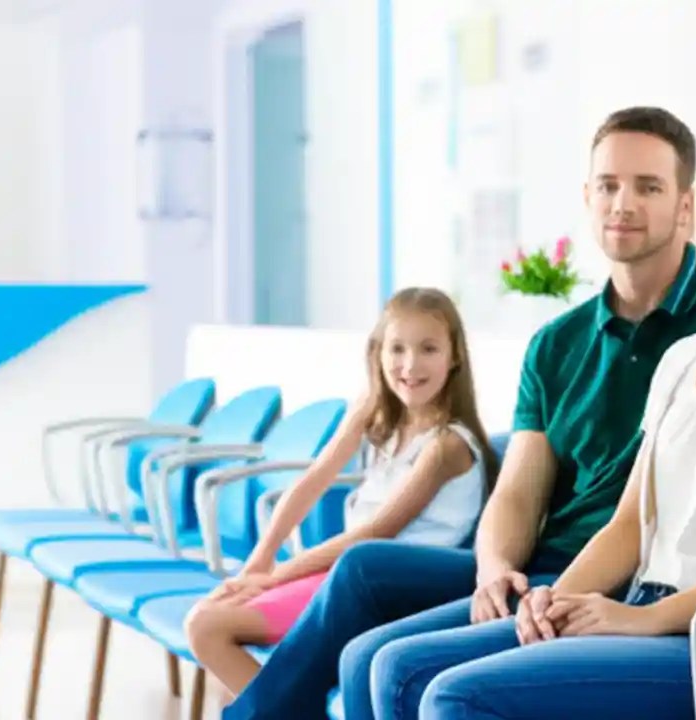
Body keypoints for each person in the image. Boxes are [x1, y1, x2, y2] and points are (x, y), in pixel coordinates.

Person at [220, 106, 696, 720]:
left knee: (451, 695)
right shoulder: (684, 357)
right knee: (389, 666)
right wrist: (551, 600)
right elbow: (627, 523)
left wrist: (637, 620)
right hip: (630, 596)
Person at [184, 287, 500, 696]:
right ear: (378, 352)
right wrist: (260, 561)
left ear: (454, 356)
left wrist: (275, 577)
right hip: (344, 572)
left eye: (428, 349)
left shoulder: (446, 446)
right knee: (206, 614)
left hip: (389, 584)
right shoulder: (375, 411)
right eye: (397, 349)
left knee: (207, 626)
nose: (410, 365)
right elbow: (315, 478)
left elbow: (376, 533)